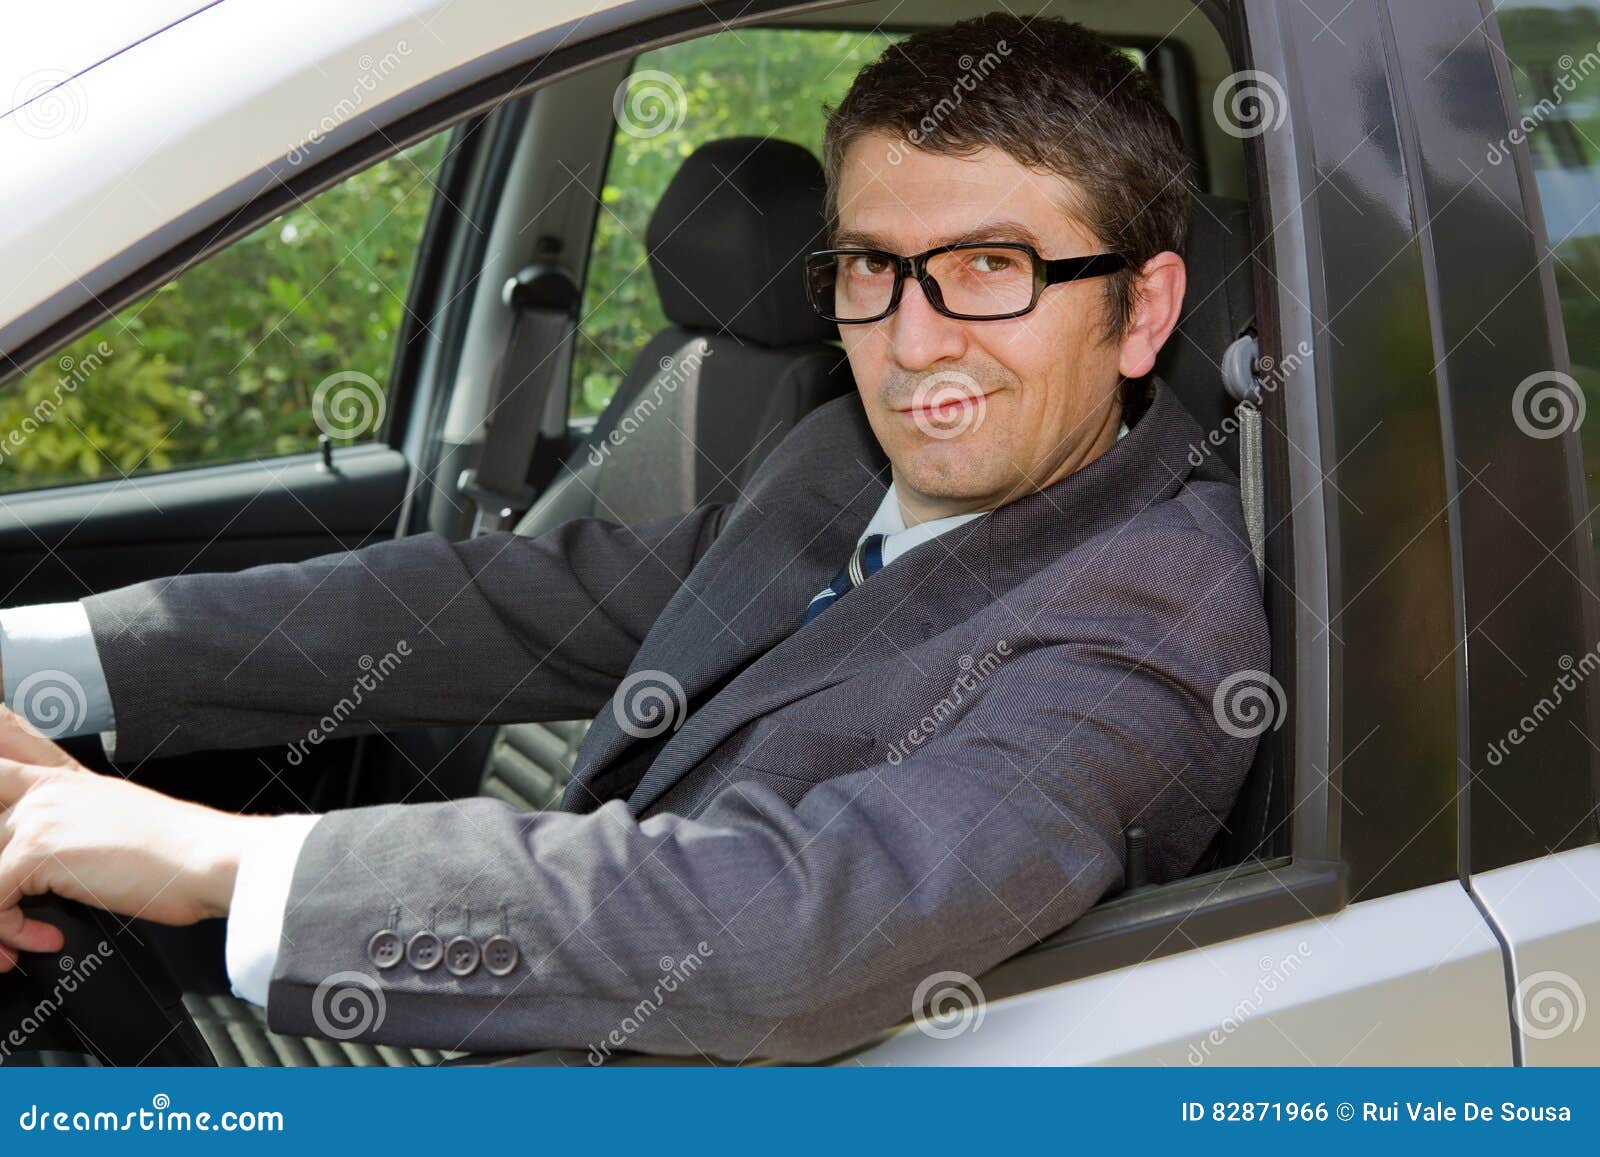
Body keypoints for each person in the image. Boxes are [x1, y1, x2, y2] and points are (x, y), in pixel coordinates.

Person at [0, 13, 1268, 1062]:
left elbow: (793, 933)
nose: (915, 337)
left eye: (990, 264)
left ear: (1141, 307)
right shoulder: (838, 457)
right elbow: (497, 604)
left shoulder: (1155, 610)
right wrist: (45, 657)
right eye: (871, 267)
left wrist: (222, 856)